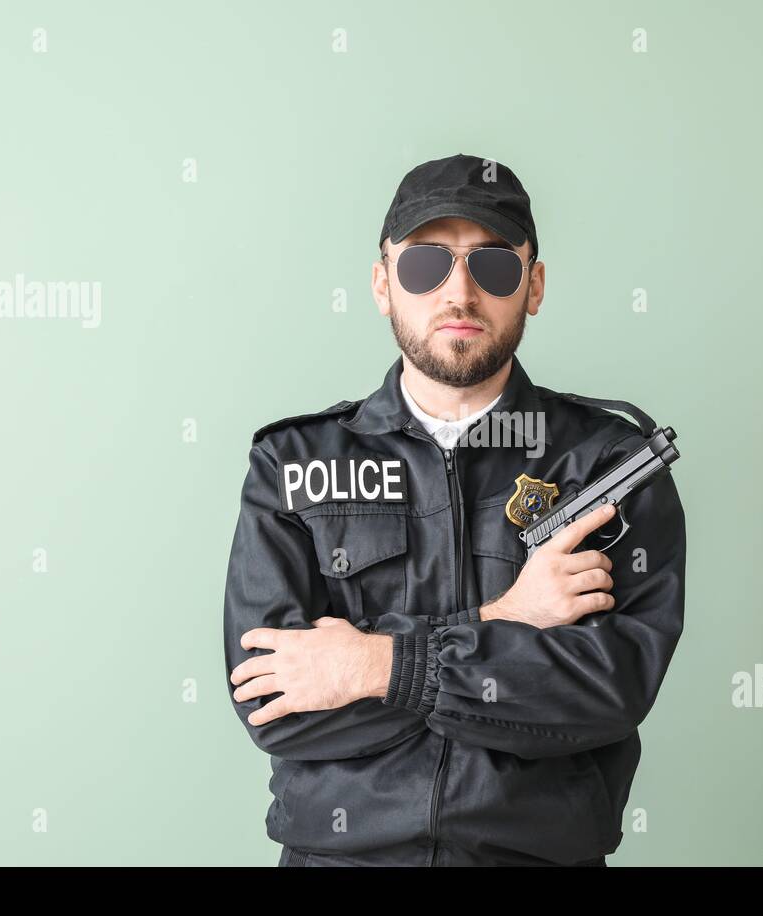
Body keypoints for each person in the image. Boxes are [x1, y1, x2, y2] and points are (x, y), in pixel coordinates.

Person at [222, 153, 687, 866]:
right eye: (424, 266)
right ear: (383, 284)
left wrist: (370, 664)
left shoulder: (609, 468)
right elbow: (277, 709)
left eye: (493, 266)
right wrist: (503, 620)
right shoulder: (293, 465)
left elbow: (604, 692)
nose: (459, 292)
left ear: (532, 286)